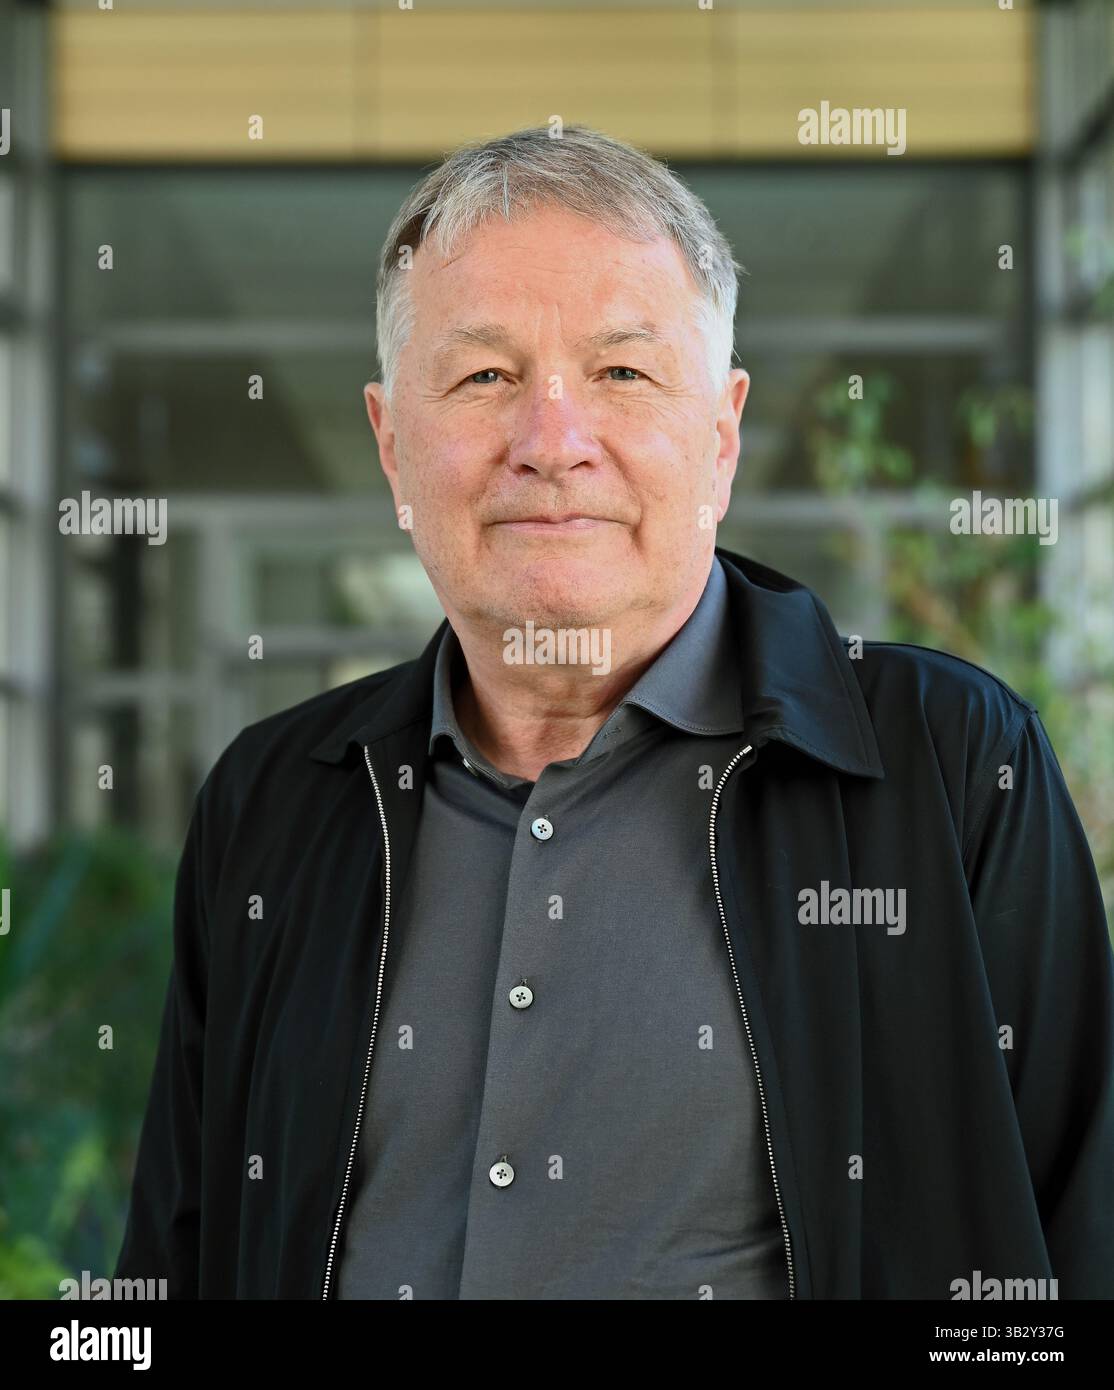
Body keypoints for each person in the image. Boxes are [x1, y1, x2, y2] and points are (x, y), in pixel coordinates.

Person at [115, 124, 1114, 1300]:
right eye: (484, 375)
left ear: (722, 433)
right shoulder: (275, 798)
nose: (551, 443)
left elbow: (1077, 1239)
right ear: (391, 444)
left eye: (623, 372)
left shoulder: (947, 766)